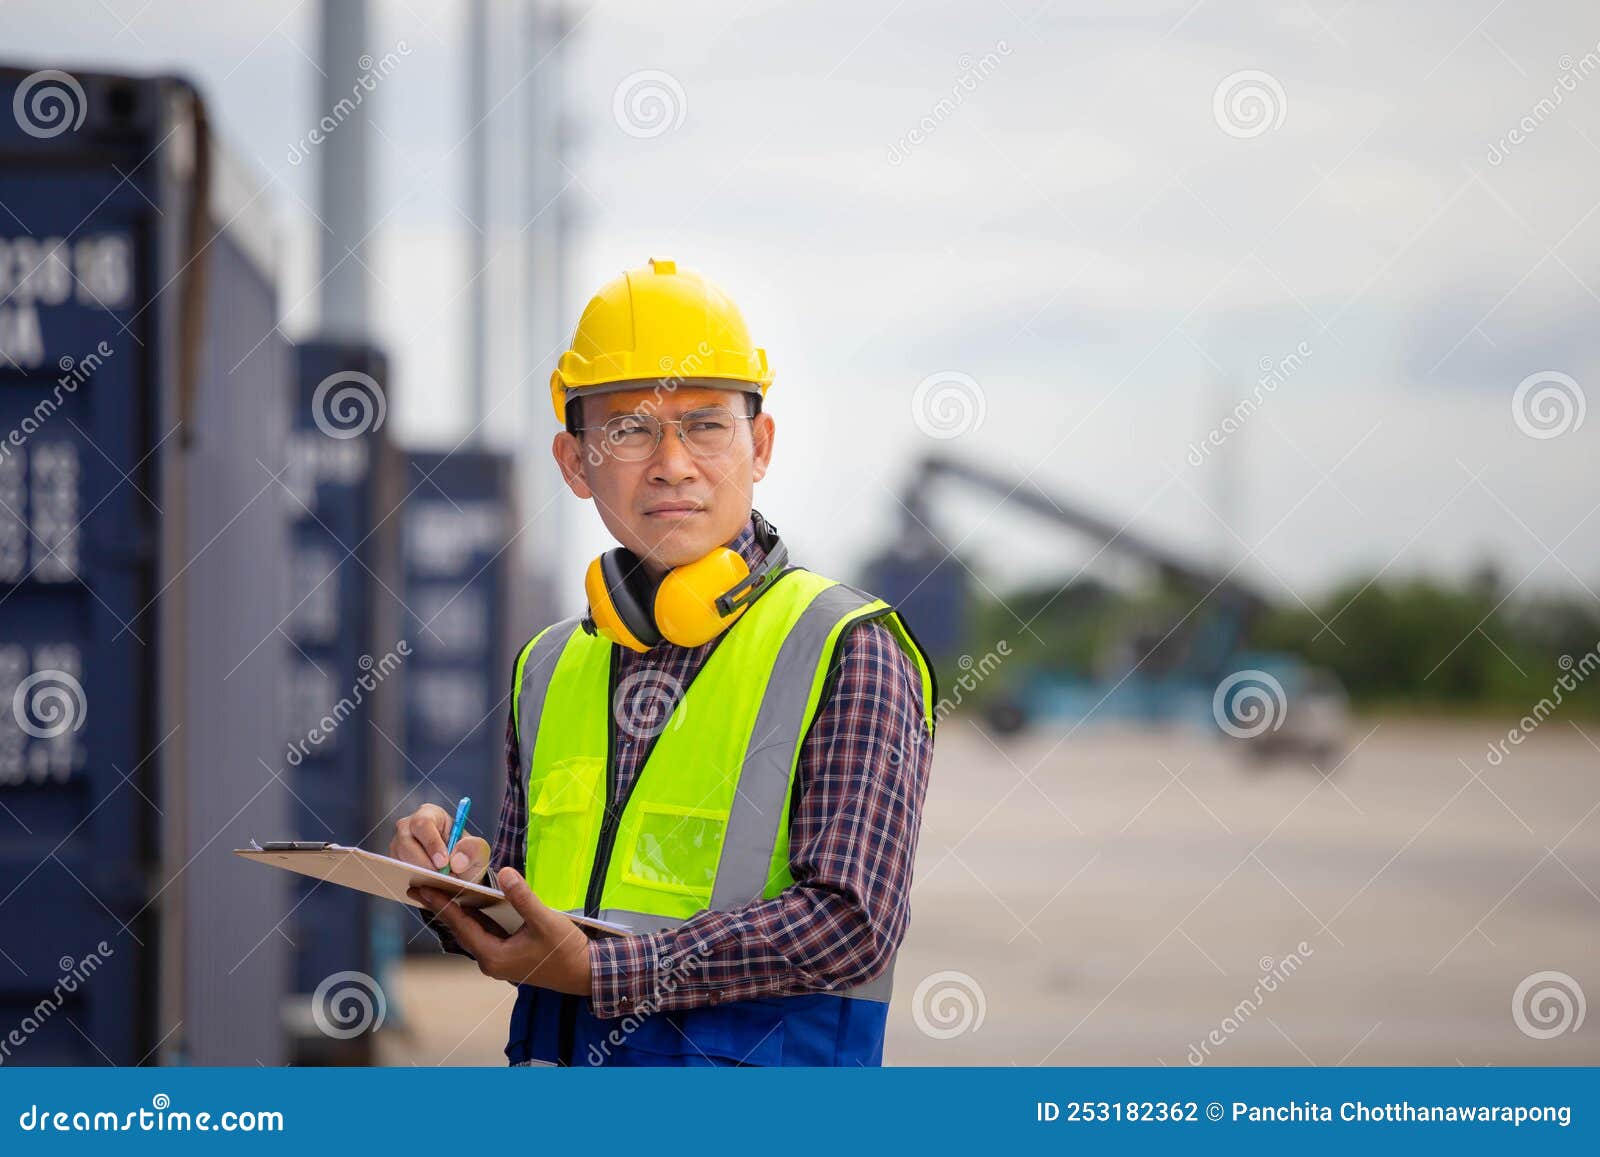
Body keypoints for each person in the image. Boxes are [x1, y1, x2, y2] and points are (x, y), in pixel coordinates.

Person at [391, 257, 937, 1066]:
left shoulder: (845, 646)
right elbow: (533, 905)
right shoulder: (550, 666)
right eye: (629, 428)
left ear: (761, 444)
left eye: (706, 424)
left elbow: (850, 923)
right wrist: (462, 884)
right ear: (576, 462)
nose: (672, 462)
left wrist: (609, 971)